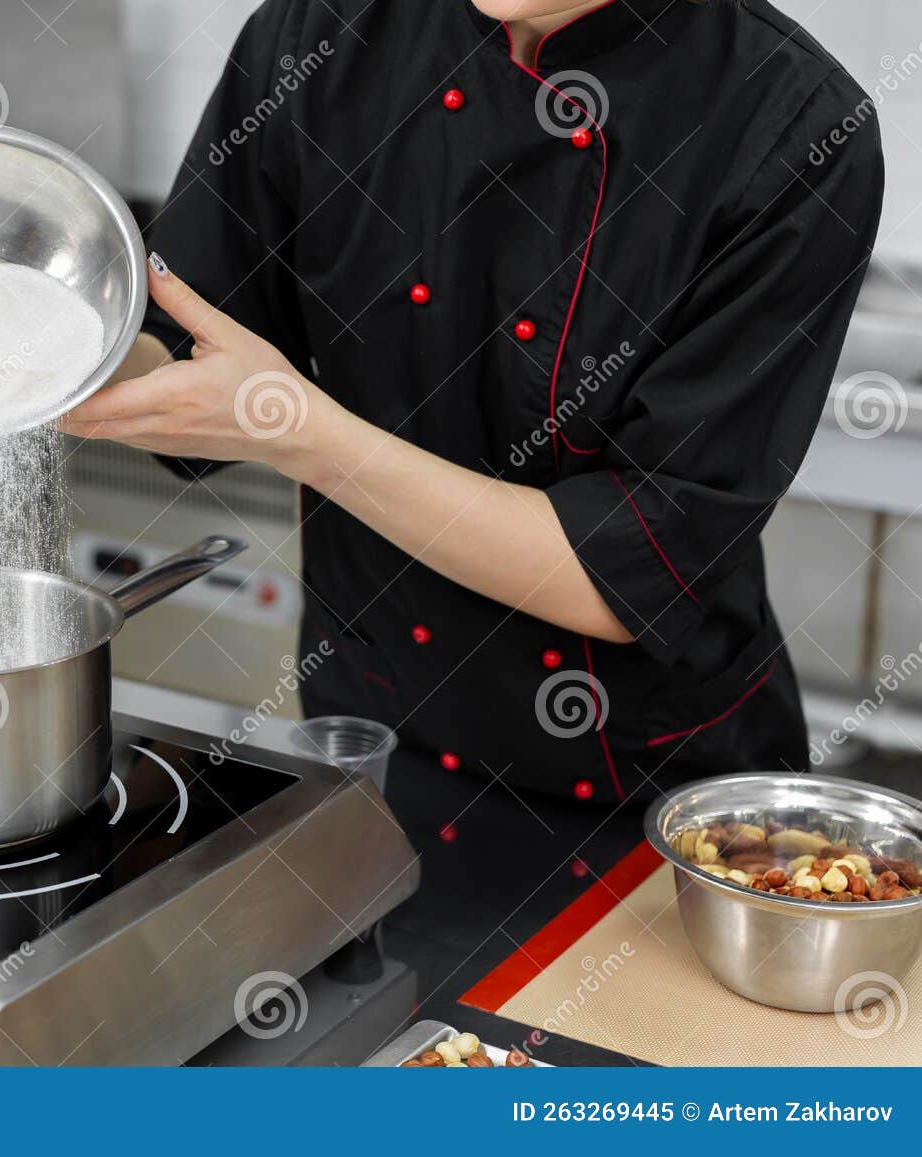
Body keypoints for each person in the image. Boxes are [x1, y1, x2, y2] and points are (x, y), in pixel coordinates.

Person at [61, 0, 884, 803]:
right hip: (368, 739)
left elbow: (623, 573)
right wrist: (44, 353)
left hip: (641, 794)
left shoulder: (794, 126)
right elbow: (186, 340)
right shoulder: (318, 34)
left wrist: (300, 433)